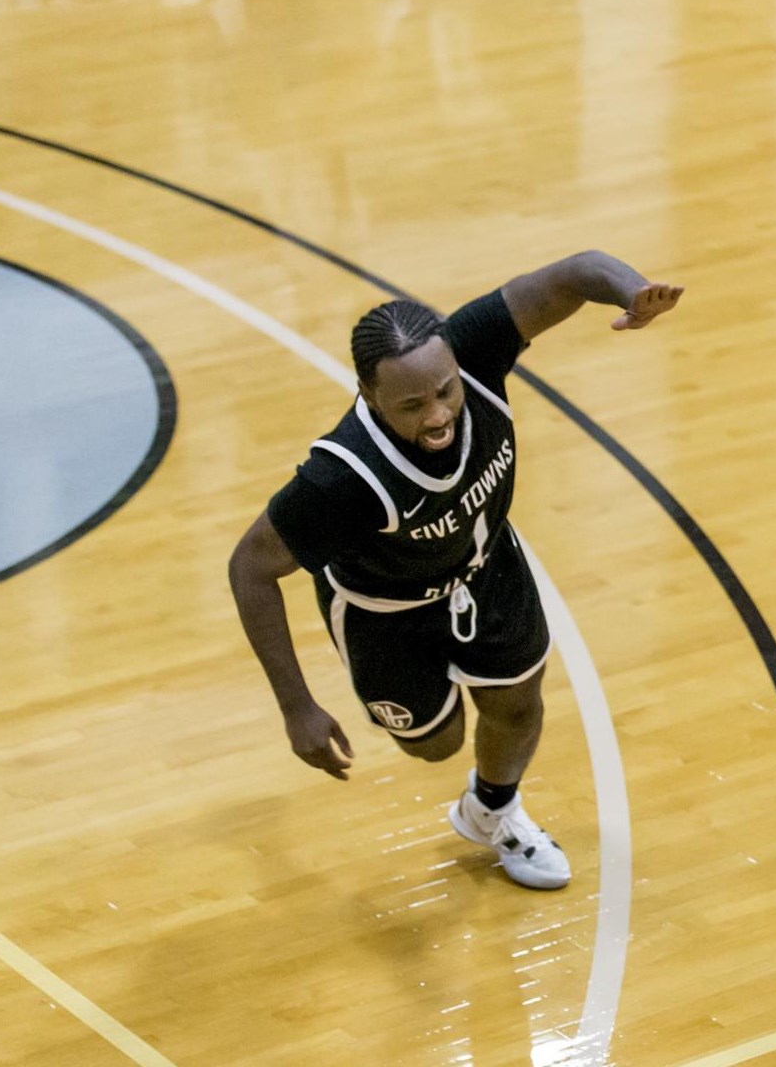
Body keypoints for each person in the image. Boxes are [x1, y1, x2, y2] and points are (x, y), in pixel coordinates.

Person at [227, 253, 682, 890]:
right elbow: (249, 567)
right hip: (383, 610)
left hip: (485, 568)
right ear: (369, 395)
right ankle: (451, 758)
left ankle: (492, 812)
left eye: (445, 391)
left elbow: (575, 273)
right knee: (434, 744)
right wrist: (296, 706)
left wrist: (631, 293)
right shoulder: (341, 479)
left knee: (517, 706)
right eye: (412, 405)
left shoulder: (472, 349)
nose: (437, 414)